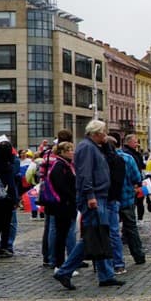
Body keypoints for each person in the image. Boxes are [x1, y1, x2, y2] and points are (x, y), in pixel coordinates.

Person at [54, 120, 122, 289]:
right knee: (92, 236)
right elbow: (84, 173)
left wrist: (106, 146)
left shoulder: (94, 147)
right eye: (104, 132)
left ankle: (105, 274)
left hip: (99, 195)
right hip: (94, 197)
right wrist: (90, 195)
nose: (106, 135)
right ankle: (65, 271)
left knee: (99, 235)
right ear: (96, 133)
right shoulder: (87, 148)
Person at [114, 136, 146, 271]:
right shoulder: (127, 158)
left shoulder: (101, 158)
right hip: (127, 197)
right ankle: (138, 256)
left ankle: (112, 260)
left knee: (112, 230)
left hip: (110, 200)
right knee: (131, 228)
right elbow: (137, 177)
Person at [46, 141, 77, 269]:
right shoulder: (60, 166)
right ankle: (59, 264)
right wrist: (71, 196)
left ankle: (62, 263)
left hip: (67, 204)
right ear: (62, 152)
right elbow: (61, 186)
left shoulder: (66, 165)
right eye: (69, 150)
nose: (72, 152)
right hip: (62, 205)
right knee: (61, 234)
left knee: (63, 233)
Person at [122, 134, 146, 222]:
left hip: (140, 180)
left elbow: (141, 165)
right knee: (134, 201)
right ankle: (132, 220)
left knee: (141, 200)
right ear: (128, 142)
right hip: (134, 182)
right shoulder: (127, 153)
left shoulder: (136, 153)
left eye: (137, 142)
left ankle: (140, 218)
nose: (137, 144)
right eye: (135, 142)